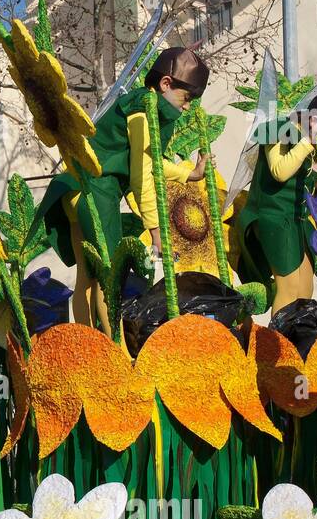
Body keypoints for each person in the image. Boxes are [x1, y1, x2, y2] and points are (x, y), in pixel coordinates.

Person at [36, 46, 209, 327]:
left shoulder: (142, 104)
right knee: (109, 277)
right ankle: (116, 352)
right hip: (96, 191)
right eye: (186, 97)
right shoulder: (143, 111)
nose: (188, 106)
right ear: (166, 83)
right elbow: (142, 176)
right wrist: (156, 233)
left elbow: (148, 160)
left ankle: (88, 346)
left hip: (75, 189)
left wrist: (189, 175)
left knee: (88, 278)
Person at [235, 90, 317, 313]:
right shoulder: (280, 129)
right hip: (273, 217)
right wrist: (309, 141)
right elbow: (280, 171)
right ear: (314, 119)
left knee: (304, 290)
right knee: (288, 288)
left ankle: (295, 340)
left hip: (297, 219)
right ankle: (278, 345)